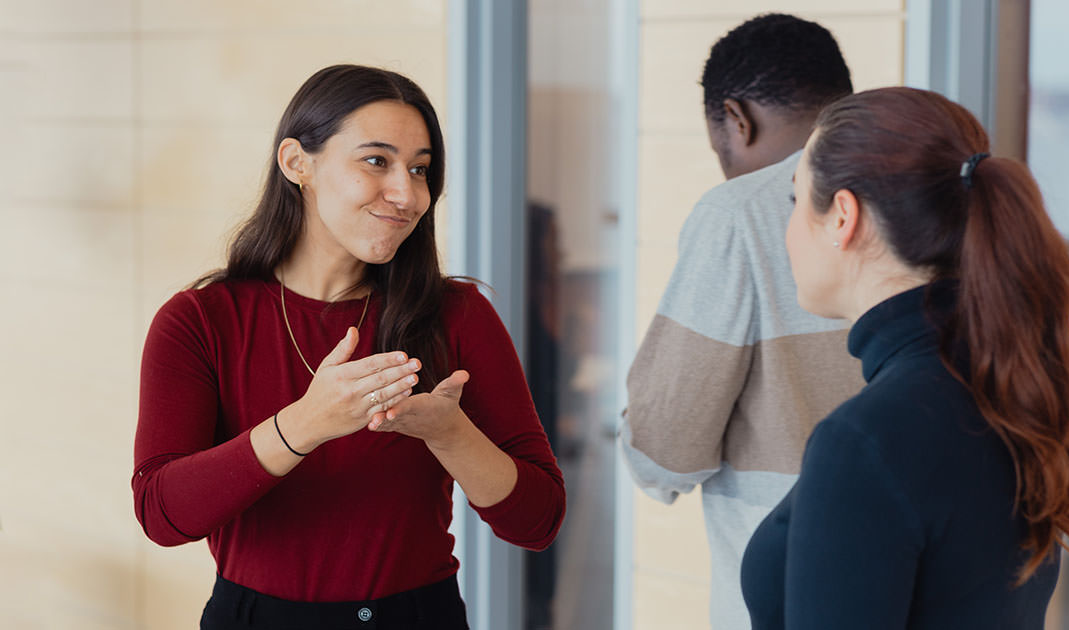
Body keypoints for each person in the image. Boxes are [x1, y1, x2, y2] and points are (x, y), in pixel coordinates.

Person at [132, 64, 566, 629]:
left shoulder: (457, 315)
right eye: (376, 161)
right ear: (297, 163)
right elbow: (163, 515)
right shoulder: (200, 322)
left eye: (420, 169)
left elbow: (538, 521)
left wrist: (449, 433)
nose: (408, 194)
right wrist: (304, 424)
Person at [741, 86, 1069, 628]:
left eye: (796, 200)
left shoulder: (866, 441)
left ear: (842, 217)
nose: (787, 232)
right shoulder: (1007, 391)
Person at [620, 14, 863, 629]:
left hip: (788, 594)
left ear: (737, 119)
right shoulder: (937, 193)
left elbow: (664, 450)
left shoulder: (742, 214)